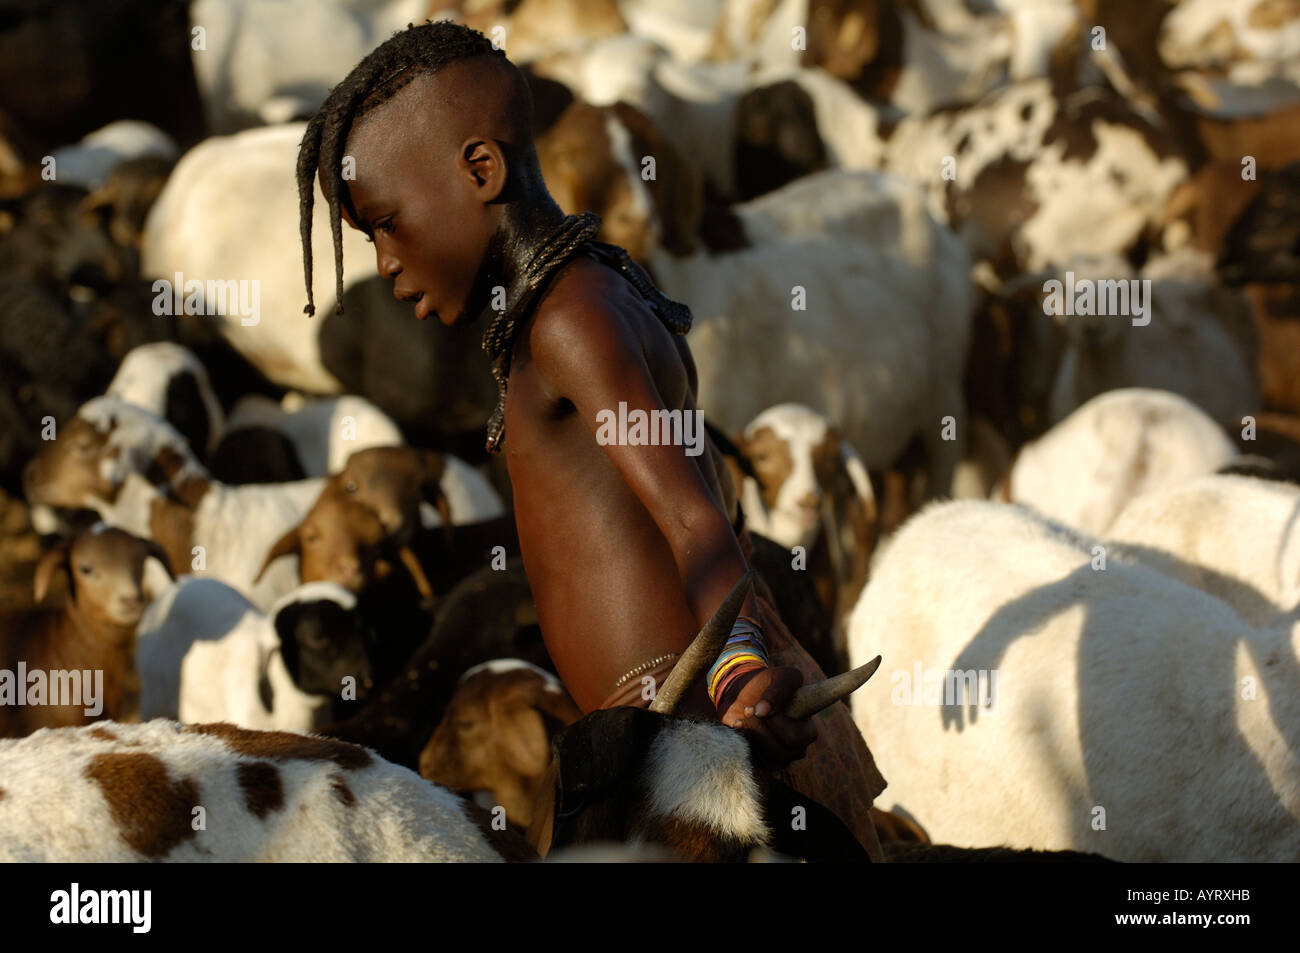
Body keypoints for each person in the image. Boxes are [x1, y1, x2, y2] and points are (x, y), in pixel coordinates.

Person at [296, 20, 885, 858]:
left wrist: (739, 670)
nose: (385, 261)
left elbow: (691, 514)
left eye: (388, 222)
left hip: (688, 756)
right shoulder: (580, 298)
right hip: (656, 737)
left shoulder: (569, 320)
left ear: (480, 170)